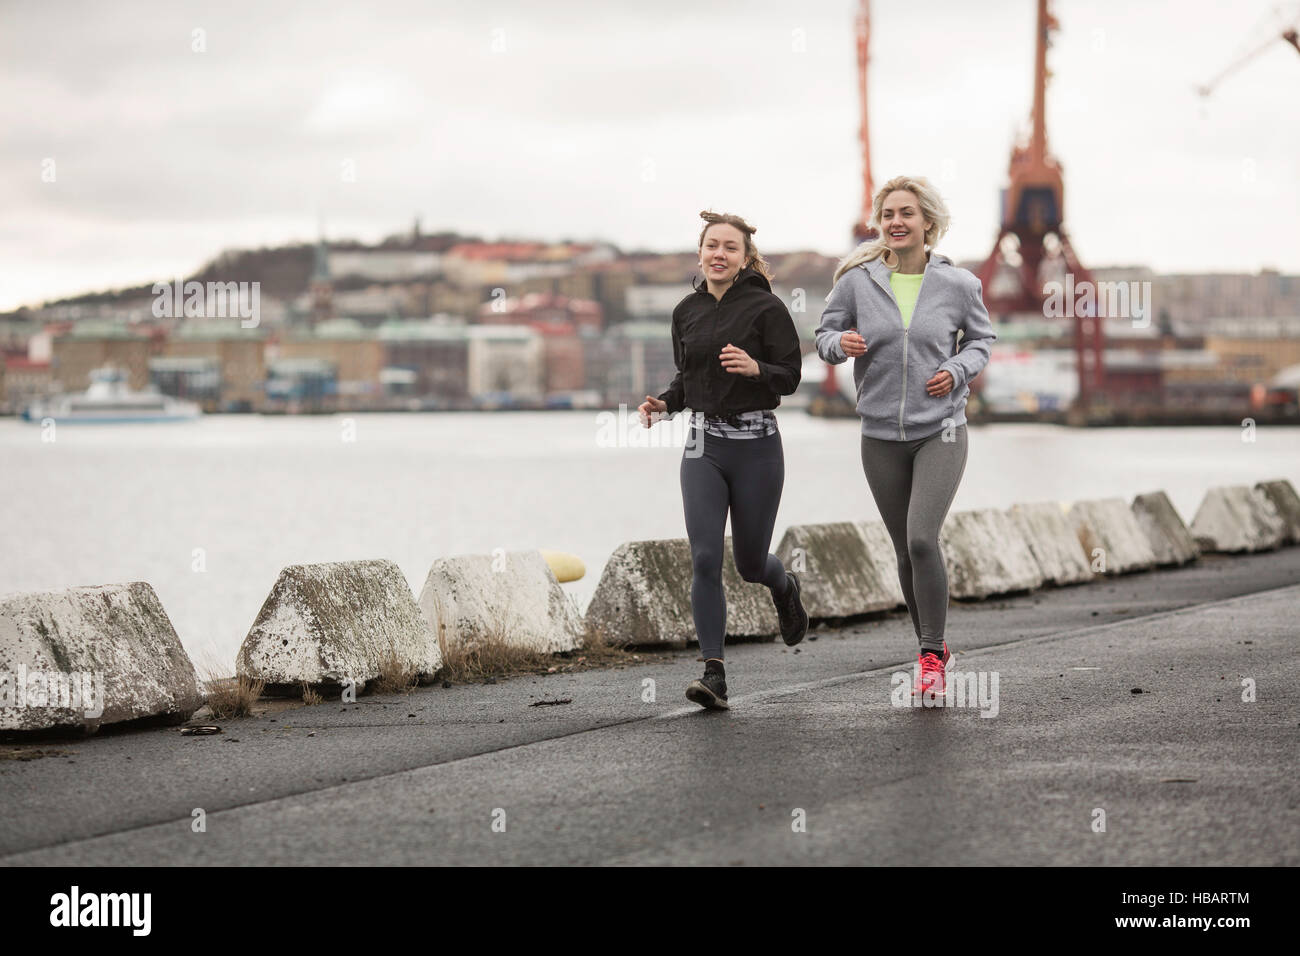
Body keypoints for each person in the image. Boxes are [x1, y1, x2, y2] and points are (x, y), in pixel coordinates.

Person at [815, 175, 996, 702]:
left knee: (922, 538)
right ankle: (928, 649)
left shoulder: (959, 284)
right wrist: (838, 343)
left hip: (940, 429)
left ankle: (933, 652)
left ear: (927, 224)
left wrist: (959, 369)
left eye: (907, 213)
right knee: (902, 550)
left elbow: (982, 340)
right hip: (878, 435)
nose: (896, 222)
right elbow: (823, 336)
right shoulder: (856, 282)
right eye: (888, 214)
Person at [638, 210, 808, 710]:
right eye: (712, 245)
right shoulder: (685, 311)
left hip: (757, 446)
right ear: (701, 253)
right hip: (702, 446)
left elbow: (791, 376)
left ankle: (784, 584)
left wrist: (757, 369)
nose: (719, 254)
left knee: (751, 563)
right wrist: (666, 404)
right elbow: (686, 381)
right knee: (706, 556)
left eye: (729, 248)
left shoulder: (767, 309)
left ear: (744, 258)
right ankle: (714, 673)